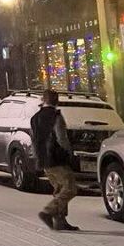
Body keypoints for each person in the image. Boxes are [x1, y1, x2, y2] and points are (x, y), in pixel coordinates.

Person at [29, 89, 78, 231]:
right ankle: (48, 211)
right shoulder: (56, 116)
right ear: (57, 100)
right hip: (56, 158)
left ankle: (60, 221)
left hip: (43, 159)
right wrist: (69, 152)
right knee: (70, 188)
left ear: (43, 100)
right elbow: (61, 138)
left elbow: (34, 139)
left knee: (59, 189)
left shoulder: (35, 118)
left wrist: (38, 157)